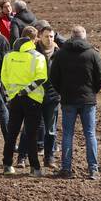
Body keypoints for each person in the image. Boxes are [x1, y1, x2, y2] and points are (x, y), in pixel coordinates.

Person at [48, 25, 101, 179]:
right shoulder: (93, 53)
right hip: (88, 100)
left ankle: (66, 168)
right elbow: (100, 78)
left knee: (67, 134)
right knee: (90, 134)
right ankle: (93, 169)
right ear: (84, 36)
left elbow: (53, 78)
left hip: (68, 100)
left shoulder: (61, 54)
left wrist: (62, 91)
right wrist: (92, 92)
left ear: (71, 37)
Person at [1, 29, 48, 177]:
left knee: (12, 133)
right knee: (31, 134)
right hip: (33, 99)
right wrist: (26, 91)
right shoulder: (38, 57)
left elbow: (4, 78)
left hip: (14, 99)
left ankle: (7, 164)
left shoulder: (9, 57)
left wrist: (11, 94)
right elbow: (41, 78)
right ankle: (35, 167)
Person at [34, 22, 61, 169]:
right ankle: (23, 157)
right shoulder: (33, 52)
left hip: (52, 96)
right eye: (46, 36)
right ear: (40, 37)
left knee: (51, 130)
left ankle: (49, 158)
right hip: (35, 94)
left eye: (51, 36)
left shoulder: (59, 53)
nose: (49, 39)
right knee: (31, 127)